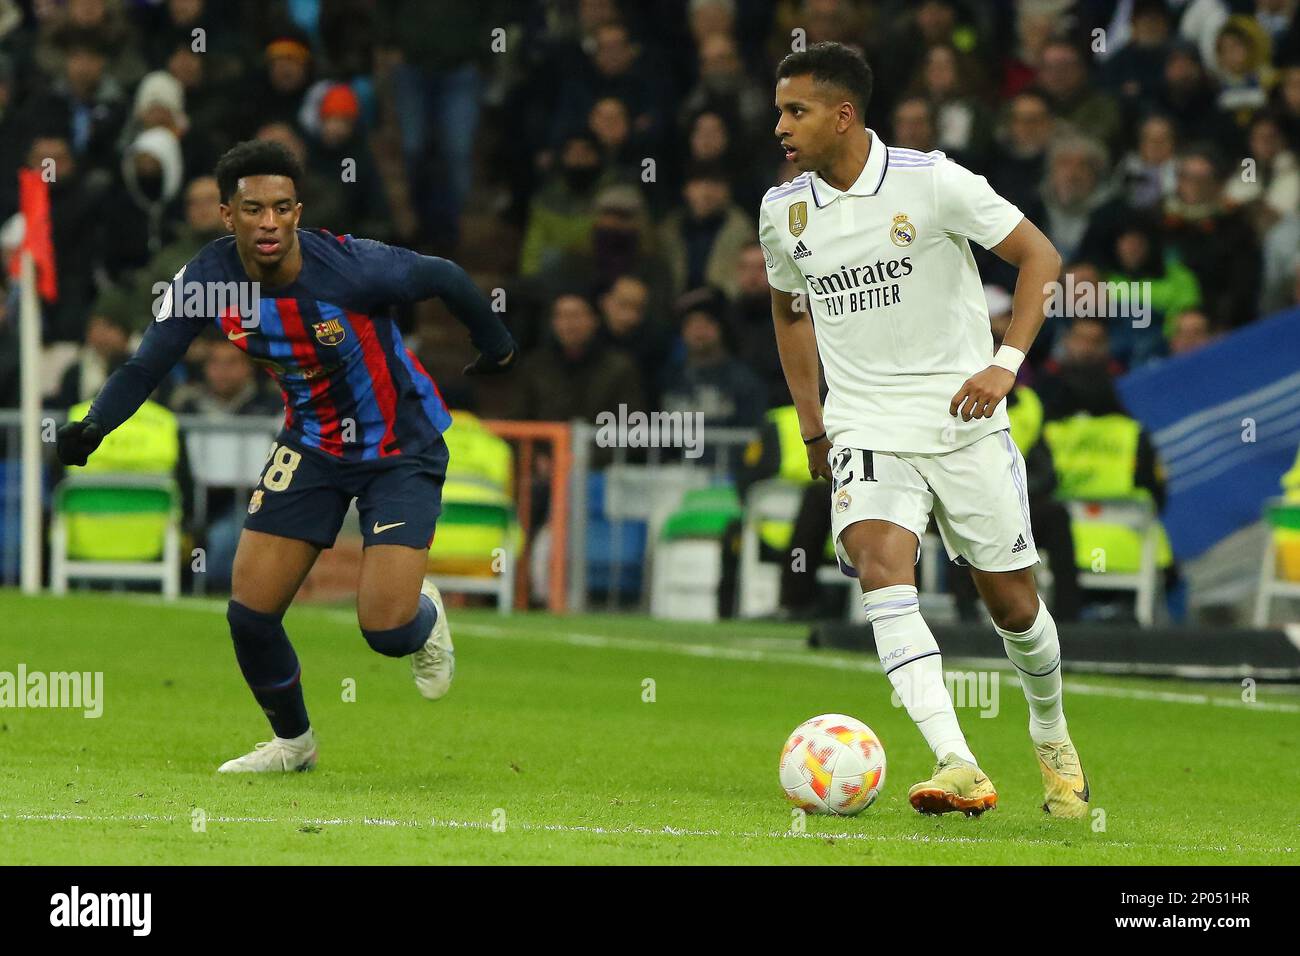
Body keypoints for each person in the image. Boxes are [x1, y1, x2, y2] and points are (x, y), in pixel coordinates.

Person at [54, 140, 517, 773]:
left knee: (384, 630)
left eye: (280, 208)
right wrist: (95, 424)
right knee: (249, 614)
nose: (267, 222)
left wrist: (498, 348)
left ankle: (422, 615)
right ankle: (294, 744)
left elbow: (444, 276)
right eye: (252, 210)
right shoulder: (205, 282)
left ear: (298, 213)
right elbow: (146, 364)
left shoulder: (352, 267)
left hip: (399, 446)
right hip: (312, 445)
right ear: (227, 216)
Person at [761, 42, 1087, 819]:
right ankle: (957, 758)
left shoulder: (932, 181)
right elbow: (787, 308)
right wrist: (815, 425)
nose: (780, 125)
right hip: (867, 427)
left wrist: (1006, 362)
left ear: (843, 115)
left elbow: (1039, 255)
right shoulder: (785, 211)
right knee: (882, 572)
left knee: (1013, 609)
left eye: (795, 110)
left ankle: (1052, 734)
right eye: (779, 110)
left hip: (963, 424)